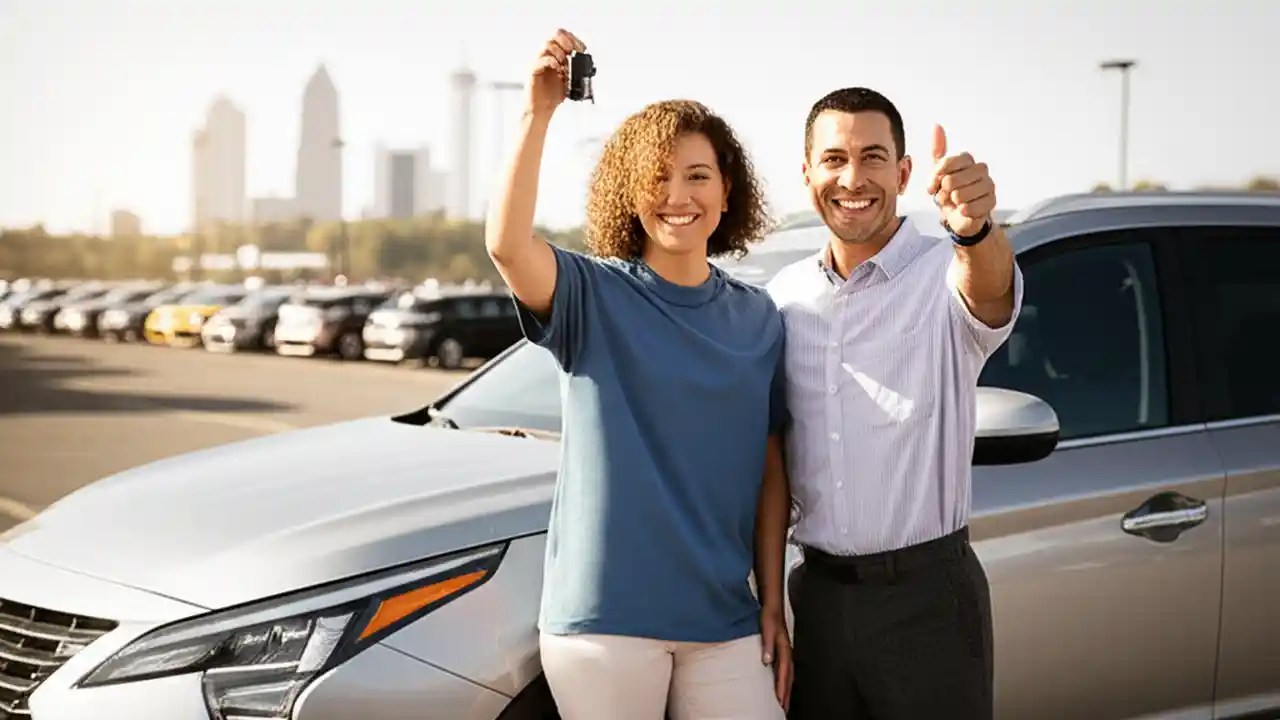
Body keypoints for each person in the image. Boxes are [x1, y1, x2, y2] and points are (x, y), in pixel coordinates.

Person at [484, 28, 794, 719]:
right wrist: (539, 114)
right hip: (605, 625)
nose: (677, 196)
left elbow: (772, 464)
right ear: (628, 194)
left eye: (696, 175)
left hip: (725, 620)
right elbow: (507, 245)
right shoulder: (592, 296)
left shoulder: (760, 319)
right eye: (656, 177)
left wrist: (774, 599)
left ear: (726, 189)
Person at [767, 87, 1023, 719]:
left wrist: (976, 230)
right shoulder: (781, 298)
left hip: (931, 604)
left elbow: (989, 292)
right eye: (833, 159)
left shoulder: (946, 269)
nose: (852, 178)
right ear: (807, 175)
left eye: (873, 157)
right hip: (818, 602)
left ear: (904, 172)